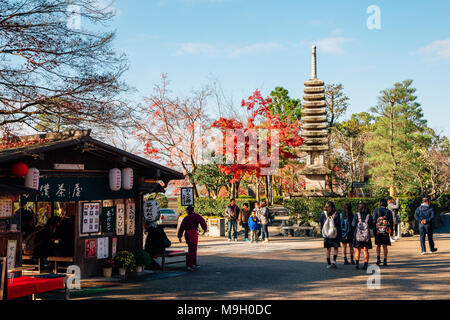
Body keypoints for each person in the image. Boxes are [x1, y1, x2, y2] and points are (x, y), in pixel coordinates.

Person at [177, 206, 207, 271]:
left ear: (187, 211)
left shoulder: (186, 218)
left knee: (191, 249)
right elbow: (202, 221)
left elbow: (181, 227)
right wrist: (204, 229)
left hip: (187, 234)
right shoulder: (196, 216)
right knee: (193, 250)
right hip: (193, 234)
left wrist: (179, 236)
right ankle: (190, 264)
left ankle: (193, 263)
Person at [352, 202, 374, 270]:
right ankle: (365, 264)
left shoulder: (356, 215)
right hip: (366, 236)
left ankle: (357, 264)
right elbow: (371, 226)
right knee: (365, 250)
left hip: (358, 235)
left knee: (357, 250)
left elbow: (353, 224)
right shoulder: (369, 216)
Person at [320, 201, 342, 269]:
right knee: (335, 248)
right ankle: (334, 261)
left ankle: (328, 263)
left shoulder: (323, 214)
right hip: (335, 234)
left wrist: (323, 232)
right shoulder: (336, 214)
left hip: (327, 234)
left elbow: (321, 224)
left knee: (328, 249)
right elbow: (338, 224)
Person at [373, 198, 394, 266]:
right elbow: (391, 222)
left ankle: (378, 259)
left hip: (378, 231)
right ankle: (385, 260)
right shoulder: (388, 211)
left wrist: (374, 231)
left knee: (378, 246)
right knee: (385, 246)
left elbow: (374, 221)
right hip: (385, 231)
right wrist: (391, 232)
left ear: (380, 204)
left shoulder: (376, 210)